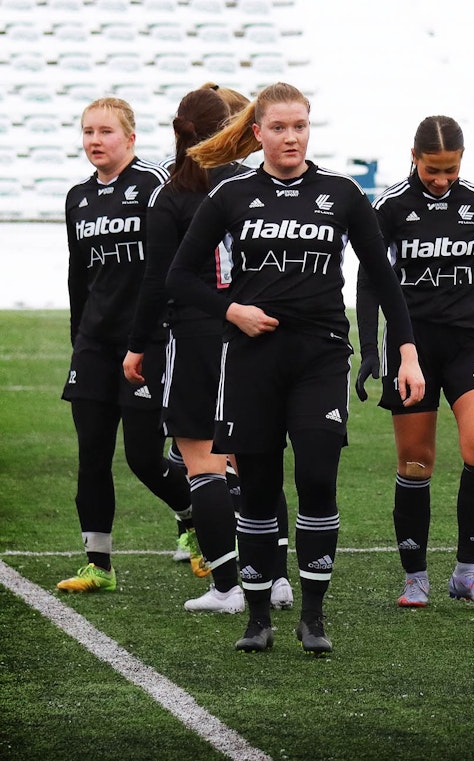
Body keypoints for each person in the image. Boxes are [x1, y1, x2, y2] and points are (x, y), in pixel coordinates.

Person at [167, 82, 424, 654]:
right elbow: (180, 276)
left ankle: (312, 615)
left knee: (314, 476)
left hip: (321, 356)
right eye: (278, 128)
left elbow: (384, 277)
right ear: (257, 133)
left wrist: (405, 351)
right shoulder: (230, 196)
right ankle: (257, 618)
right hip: (252, 359)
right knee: (257, 490)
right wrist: (233, 309)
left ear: (310, 129)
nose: (290, 137)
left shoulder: (341, 193)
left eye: (299, 127)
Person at [123, 85, 293, 614]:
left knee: (203, 464)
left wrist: (136, 348)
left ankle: (227, 587)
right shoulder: (252, 184)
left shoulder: (170, 194)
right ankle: (278, 578)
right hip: (252, 331)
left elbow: (158, 283)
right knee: (255, 458)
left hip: (195, 334)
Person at [355, 115, 474, 611]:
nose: (442, 178)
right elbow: (369, 284)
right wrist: (368, 349)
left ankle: (468, 573)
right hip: (412, 348)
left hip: (471, 341)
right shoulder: (388, 208)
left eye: (450, 169)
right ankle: (416, 577)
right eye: (433, 169)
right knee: (416, 463)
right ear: (414, 156)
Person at [57, 97, 198, 594]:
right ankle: (99, 564)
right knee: (92, 455)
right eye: (88, 132)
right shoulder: (77, 198)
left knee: (142, 458)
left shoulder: (153, 187)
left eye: (106, 132)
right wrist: (79, 339)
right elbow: (79, 275)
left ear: (131, 138)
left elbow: (171, 268)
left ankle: (192, 518)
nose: (95, 140)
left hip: (149, 342)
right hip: (94, 347)